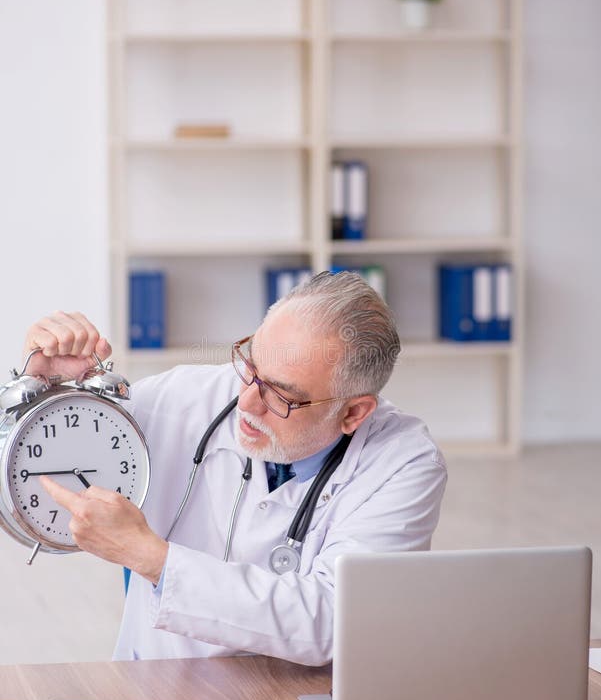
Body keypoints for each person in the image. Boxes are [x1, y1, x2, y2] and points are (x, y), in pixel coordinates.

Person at [26, 271, 446, 666]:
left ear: (353, 412)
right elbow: (26, 482)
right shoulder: (182, 399)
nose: (245, 402)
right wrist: (41, 395)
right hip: (157, 694)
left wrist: (152, 558)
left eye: (281, 396)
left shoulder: (404, 463)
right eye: (251, 366)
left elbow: (337, 620)